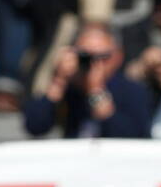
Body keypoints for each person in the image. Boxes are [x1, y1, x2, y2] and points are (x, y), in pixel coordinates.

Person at [23, 24, 152, 138]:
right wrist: (58, 80)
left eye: (102, 57)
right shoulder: (69, 88)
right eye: (85, 57)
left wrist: (96, 91)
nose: (94, 63)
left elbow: (129, 137)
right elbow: (35, 126)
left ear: (118, 56)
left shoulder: (132, 90)